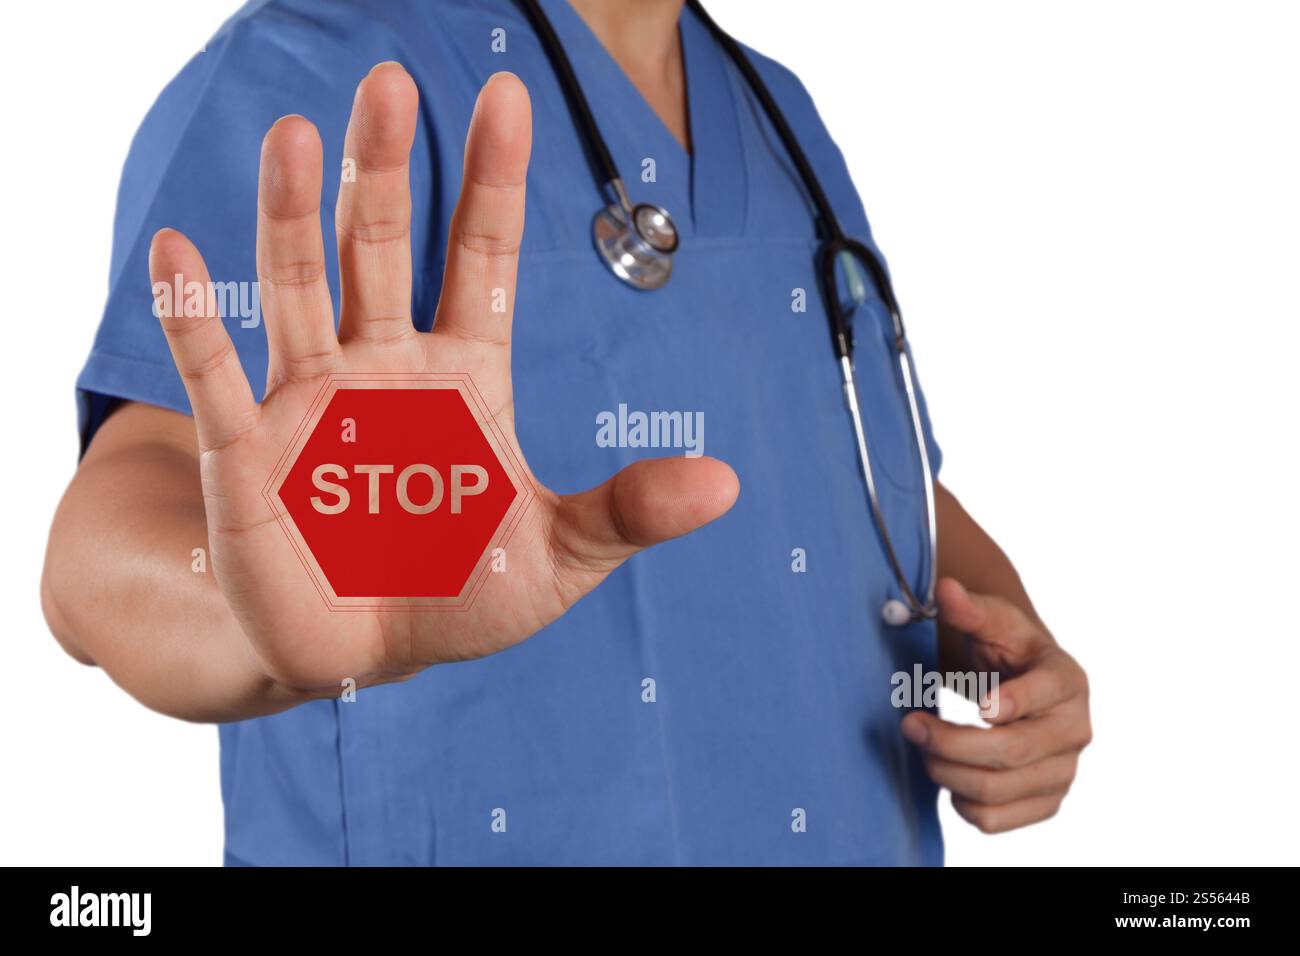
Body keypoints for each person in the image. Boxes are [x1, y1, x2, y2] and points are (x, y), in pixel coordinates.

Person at [41, 0, 1090, 865]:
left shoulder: (781, 118)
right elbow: (102, 542)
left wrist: (1015, 658)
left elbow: (844, 472)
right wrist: (248, 612)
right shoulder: (327, 73)